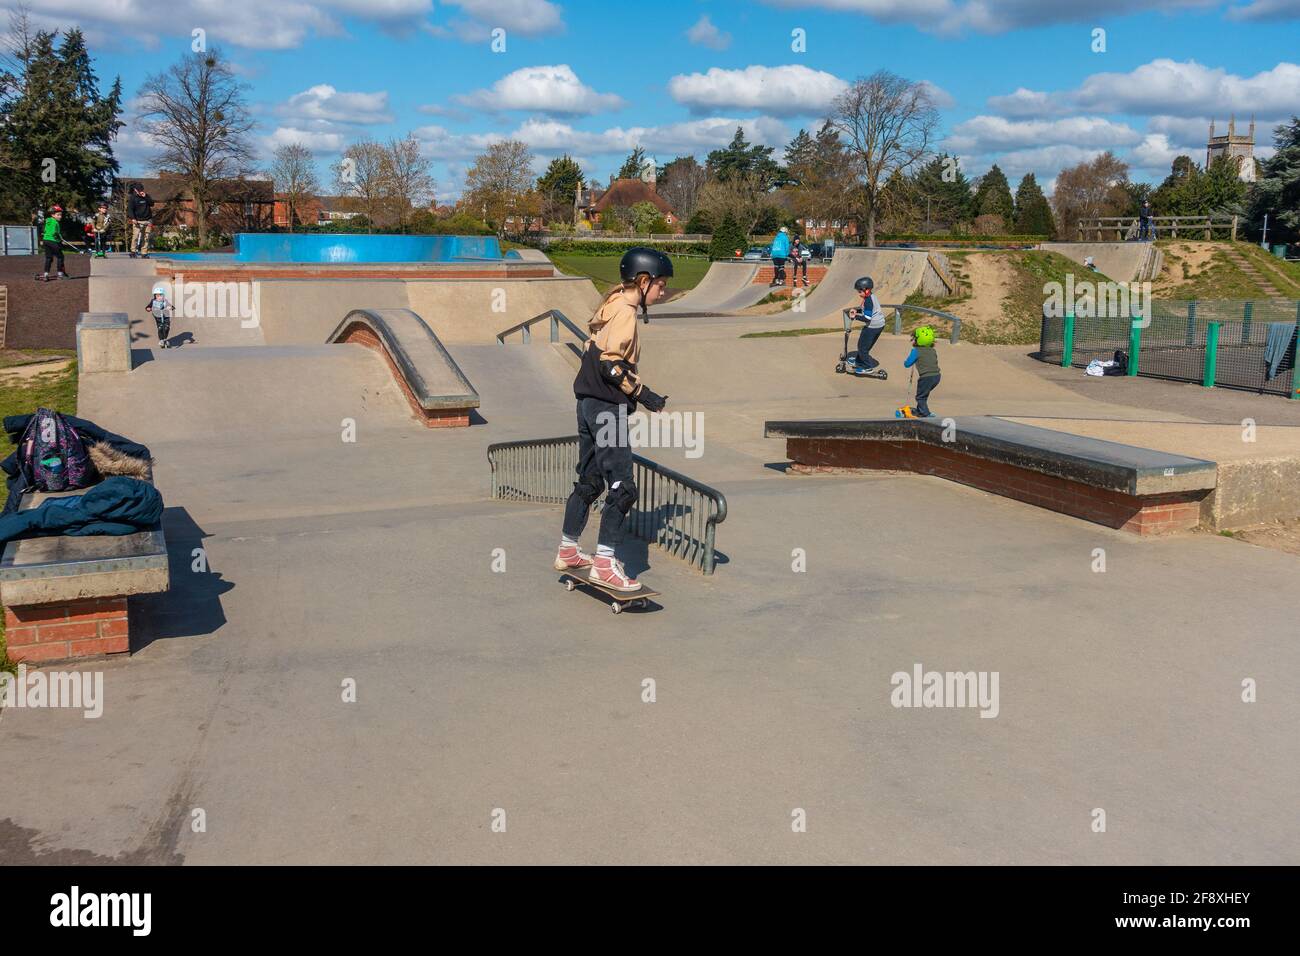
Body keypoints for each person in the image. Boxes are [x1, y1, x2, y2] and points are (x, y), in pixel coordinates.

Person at [555, 247, 671, 592]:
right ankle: (604, 563)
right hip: (606, 408)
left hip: (587, 403)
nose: (662, 292)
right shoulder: (626, 312)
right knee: (623, 486)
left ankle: (569, 549)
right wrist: (643, 394)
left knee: (590, 481)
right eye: (661, 286)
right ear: (644, 281)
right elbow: (611, 364)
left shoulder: (611, 304)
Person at [899, 325, 941, 418]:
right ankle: (921, 410)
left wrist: (907, 360)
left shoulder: (916, 351)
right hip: (937, 376)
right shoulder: (932, 350)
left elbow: (907, 364)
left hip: (926, 377)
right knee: (923, 394)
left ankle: (926, 414)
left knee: (920, 397)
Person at [848, 276, 885, 374]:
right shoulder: (871, 297)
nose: (859, 294)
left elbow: (867, 318)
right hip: (879, 324)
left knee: (862, 347)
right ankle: (859, 361)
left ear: (866, 290)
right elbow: (866, 309)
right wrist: (857, 310)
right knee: (864, 345)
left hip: (873, 326)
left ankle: (867, 367)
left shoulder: (868, 301)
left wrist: (855, 316)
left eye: (860, 292)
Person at [37, 205, 68, 281]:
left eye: (61, 215)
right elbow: (55, 232)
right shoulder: (55, 223)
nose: (60, 216)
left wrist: (59, 237)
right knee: (60, 257)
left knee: (49, 258)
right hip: (53, 241)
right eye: (58, 215)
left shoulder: (48, 221)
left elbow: (45, 231)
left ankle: (46, 274)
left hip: (46, 241)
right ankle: (60, 274)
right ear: (53, 215)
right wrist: (60, 238)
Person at [128, 182, 154, 258]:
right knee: (135, 236)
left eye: (141, 190)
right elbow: (130, 209)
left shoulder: (146, 196)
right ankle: (133, 251)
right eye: (138, 190)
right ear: (135, 190)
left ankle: (144, 253)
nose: (140, 191)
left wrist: (145, 197)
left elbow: (152, 204)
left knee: (146, 237)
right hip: (137, 221)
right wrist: (133, 218)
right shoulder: (133, 198)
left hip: (147, 220)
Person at [145, 284, 173, 349]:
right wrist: (148, 309)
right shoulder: (153, 301)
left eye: (160, 295)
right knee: (160, 327)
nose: (159, 297)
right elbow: (148, 307)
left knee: (166, 328)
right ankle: (161, 340)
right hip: (158, 317)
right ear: (155, 296)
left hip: (166, 316)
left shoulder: (165, 301)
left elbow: (172, 307)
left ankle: (165, 339)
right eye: (157, 296)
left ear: (163, 296)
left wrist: (170, 307)